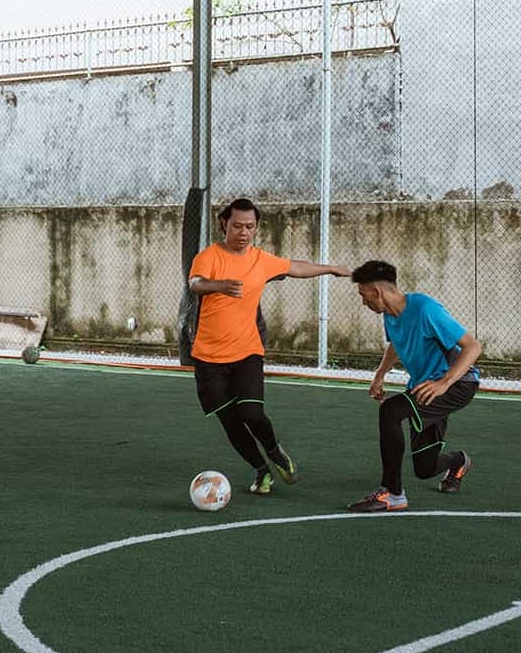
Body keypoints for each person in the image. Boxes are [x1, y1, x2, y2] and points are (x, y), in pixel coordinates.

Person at [188, 198, 351, 495]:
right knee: (231, 422)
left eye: (250, 226)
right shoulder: (209, 256)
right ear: (225, 223)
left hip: (247, 351)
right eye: (237, 225)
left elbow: (294, 268)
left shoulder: (261, 260)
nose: (244, 232)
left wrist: (330, 268)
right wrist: (219, 286)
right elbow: (195, 283)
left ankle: (275, 452)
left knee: (251, 414)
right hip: (208, 358)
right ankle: (261, 470)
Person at [347, 260, 481, 513]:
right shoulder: (390, 315)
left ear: (377, 291)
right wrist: (380, 374)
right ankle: (459, 461)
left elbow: (473, 346)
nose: (364, 303)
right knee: (425, 467)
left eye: (364, 296)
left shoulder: (425, 309)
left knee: (391, 410)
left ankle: (393, 493)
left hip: (458, 383)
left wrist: (444, 382)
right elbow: (396, 344)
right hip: (424, 388)